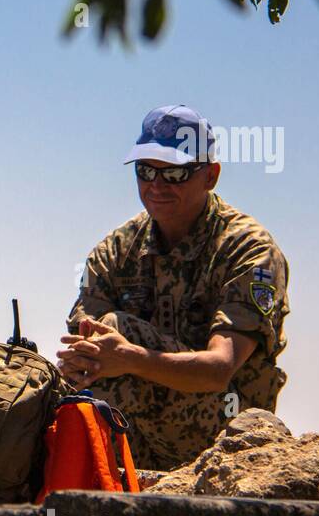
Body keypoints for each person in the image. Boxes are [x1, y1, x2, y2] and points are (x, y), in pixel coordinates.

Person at [57, 105, 289, 470]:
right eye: (146, 170)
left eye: (176, 173)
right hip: (135, 435)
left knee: (117, 330)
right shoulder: (116, 250)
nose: (157, 185)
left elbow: (219, 369)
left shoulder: (249, 249)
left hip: (223, 443)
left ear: (210, 176)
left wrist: (128, 356)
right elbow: (83, 350)